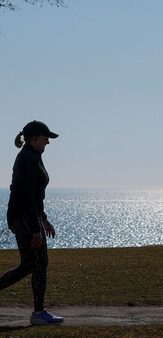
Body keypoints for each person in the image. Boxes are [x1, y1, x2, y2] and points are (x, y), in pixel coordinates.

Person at [0, 120, 64, 325]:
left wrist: (43, 220)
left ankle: (38, 312)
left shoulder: (33, 156)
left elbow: (37, 196)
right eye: (46, 138)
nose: (48, 142)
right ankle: (38, 313)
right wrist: (36, 230)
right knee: (39, 263)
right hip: (23, 218)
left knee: (29, 265)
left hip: (28, 217)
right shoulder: (27, 158)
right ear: (34, 138)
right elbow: (27, 196)